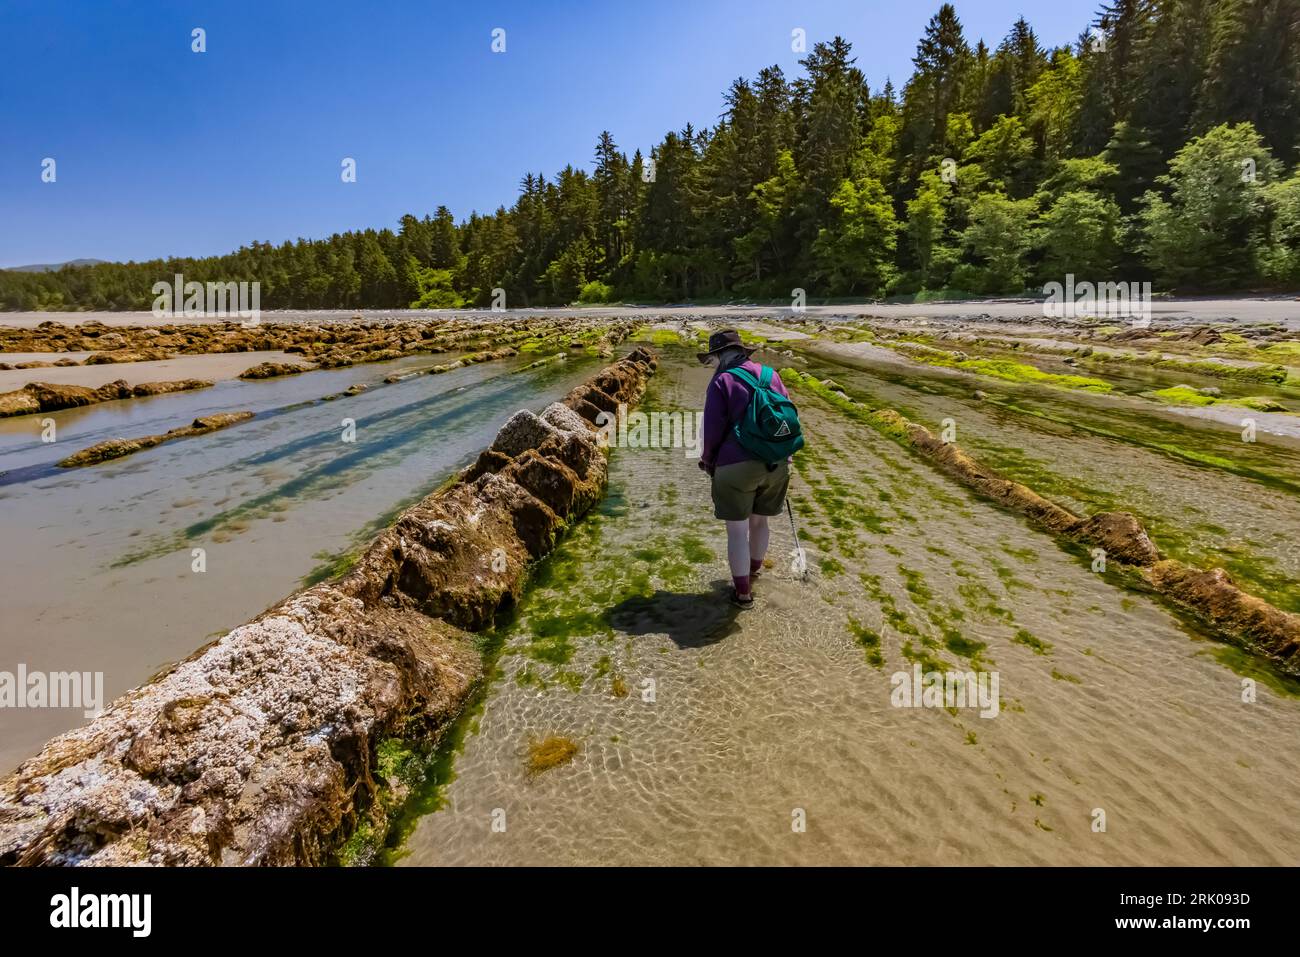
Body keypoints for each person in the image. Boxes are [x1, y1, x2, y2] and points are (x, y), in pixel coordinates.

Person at [697, 329, 792, 608]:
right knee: (760, 521)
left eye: (712, 360)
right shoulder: (770, 375)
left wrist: (708, 461)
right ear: (742, 352)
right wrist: (786, 457)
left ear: (718, 356)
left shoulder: (722, 380)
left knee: (737, 530)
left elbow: (712, 431)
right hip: (777, 462)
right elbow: (787, 415)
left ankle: (742, 594)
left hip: (736, 464)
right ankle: (754, 572)